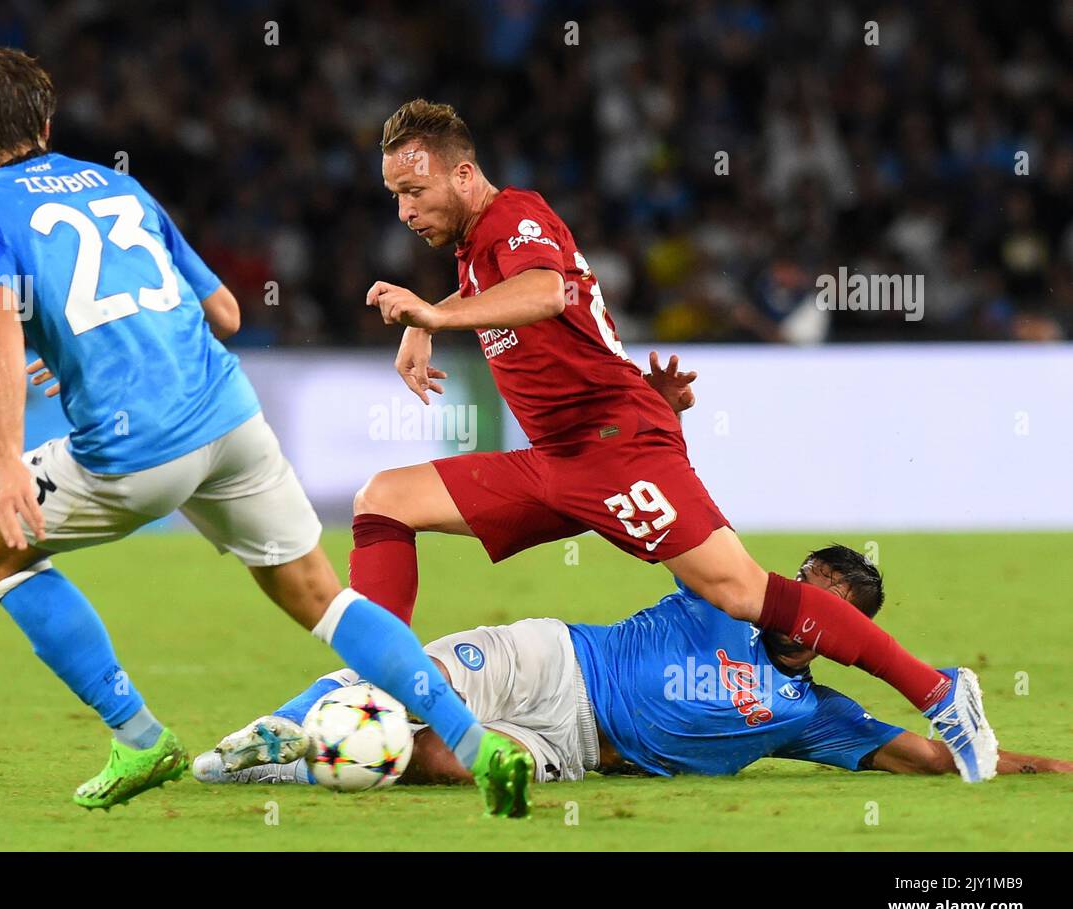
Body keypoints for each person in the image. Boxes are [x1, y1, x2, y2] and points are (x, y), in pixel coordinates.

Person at [0, 50, 532, 815]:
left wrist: (8, 461)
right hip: (231, 418)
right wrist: (98, 340)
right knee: (323, 595)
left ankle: (140, 735)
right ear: (49, 124)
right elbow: (224, 314)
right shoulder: (120, 185)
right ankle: (480, 745)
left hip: (135, 447)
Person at [352, 98, 995, 781]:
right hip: (561, 460)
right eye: (396, 195)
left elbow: (545, 292)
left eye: (413, 191)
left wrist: (429, 314)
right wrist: (427, 321)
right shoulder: (476, 248)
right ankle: (380, 689)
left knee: (743, 592)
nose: (405, 211)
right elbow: (509, 291)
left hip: (617, 445)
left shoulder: (514, 215)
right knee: (385, 499)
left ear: (463, 174)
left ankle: (940, 691)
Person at [197, 547, 1045, 788]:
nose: (810, 611)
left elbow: (936, 755)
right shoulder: (724, 596)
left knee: (420, 759)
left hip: (575, 749)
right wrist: (666, 415)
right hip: (550, 660)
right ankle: (245, 741)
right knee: (402, 689)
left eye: (834, 611)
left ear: (849, 632)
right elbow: (676, 515)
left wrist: (1043, 763)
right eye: (807, 588)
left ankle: (290, 756)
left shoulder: (810, 714)